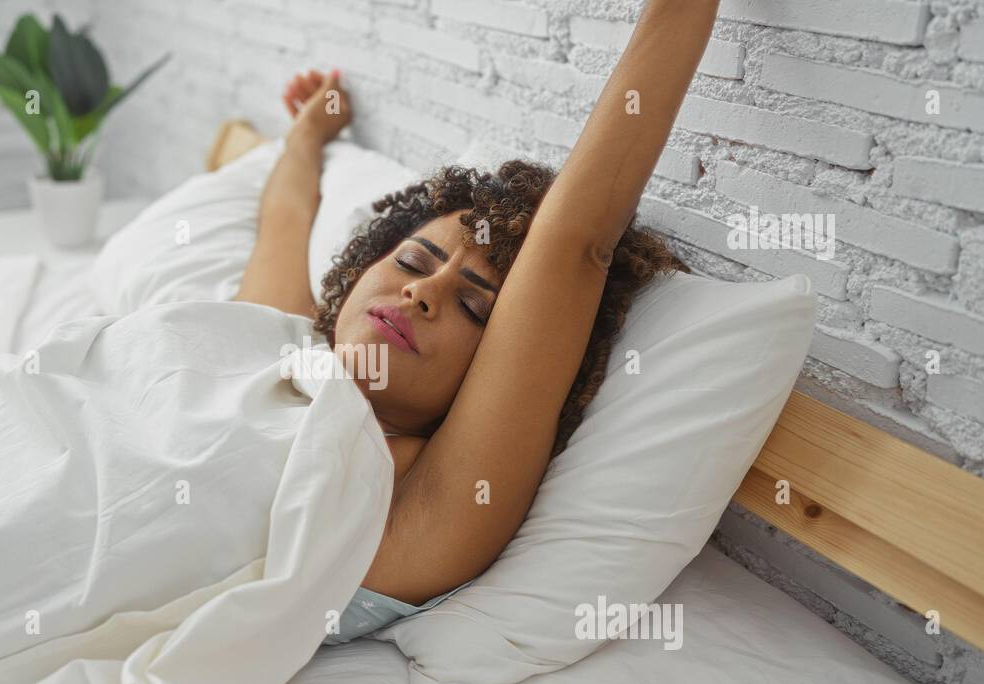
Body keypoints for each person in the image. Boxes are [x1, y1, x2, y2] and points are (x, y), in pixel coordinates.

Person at [232, 0, 723, 639]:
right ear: (356, 273)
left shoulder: (415, 511)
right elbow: (285, 219)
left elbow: (579, 245)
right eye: (412, 261)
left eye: (474, 306)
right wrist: (312, 129)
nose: (423, 294)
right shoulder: (275, 343)